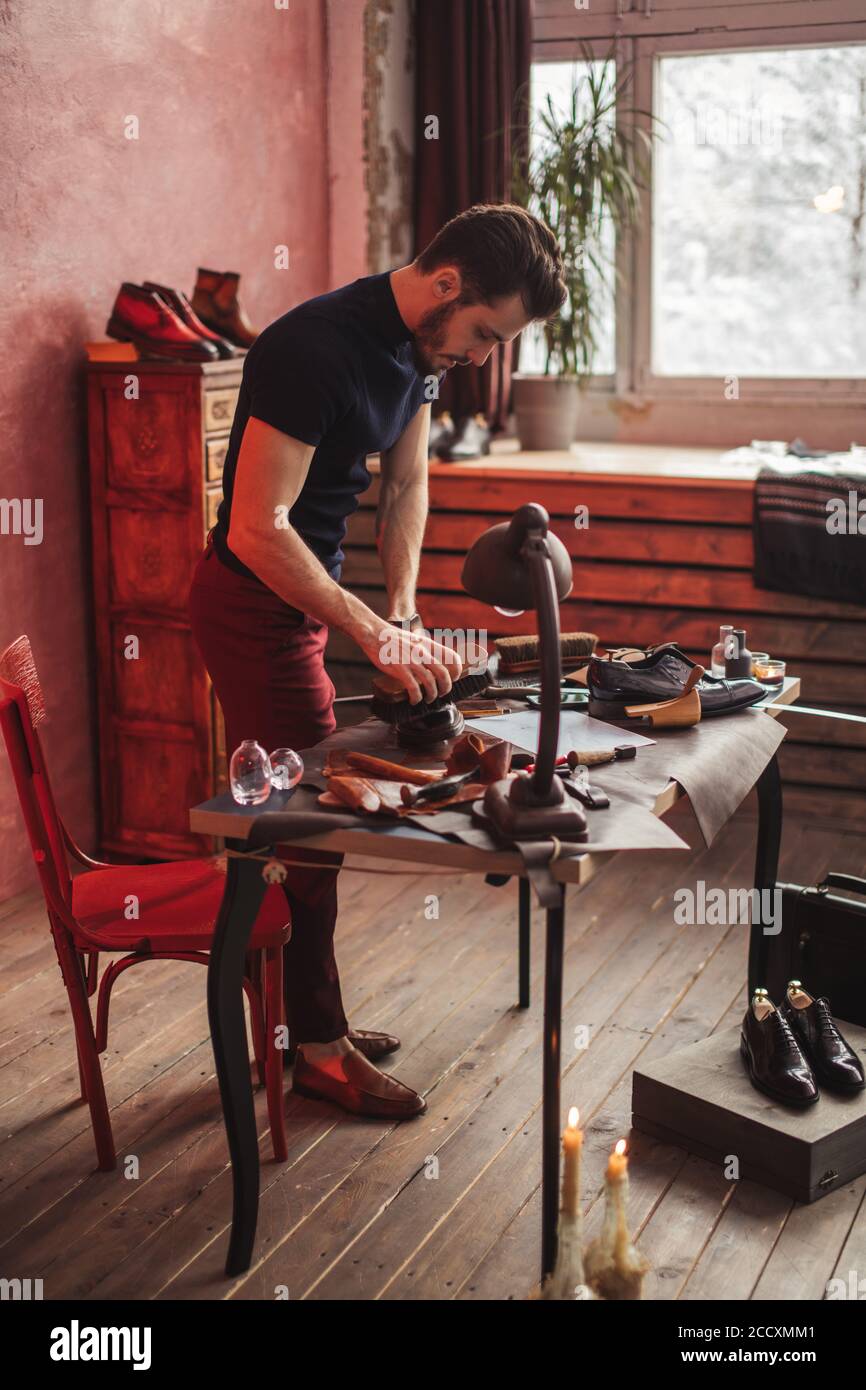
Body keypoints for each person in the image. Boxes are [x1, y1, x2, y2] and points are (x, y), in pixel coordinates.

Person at [188, 202, 567, 1118]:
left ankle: (301, 1019)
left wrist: (400, 610)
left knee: (305, 832)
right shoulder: (311, 349)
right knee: (307, 835)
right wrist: (370, 630)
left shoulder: (421, 353)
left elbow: (407, 485)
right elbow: (256, 526)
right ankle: (312, 1045)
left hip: (310, 602)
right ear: (445, 286)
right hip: (251, 605)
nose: (480, 357)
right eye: (483, 332)